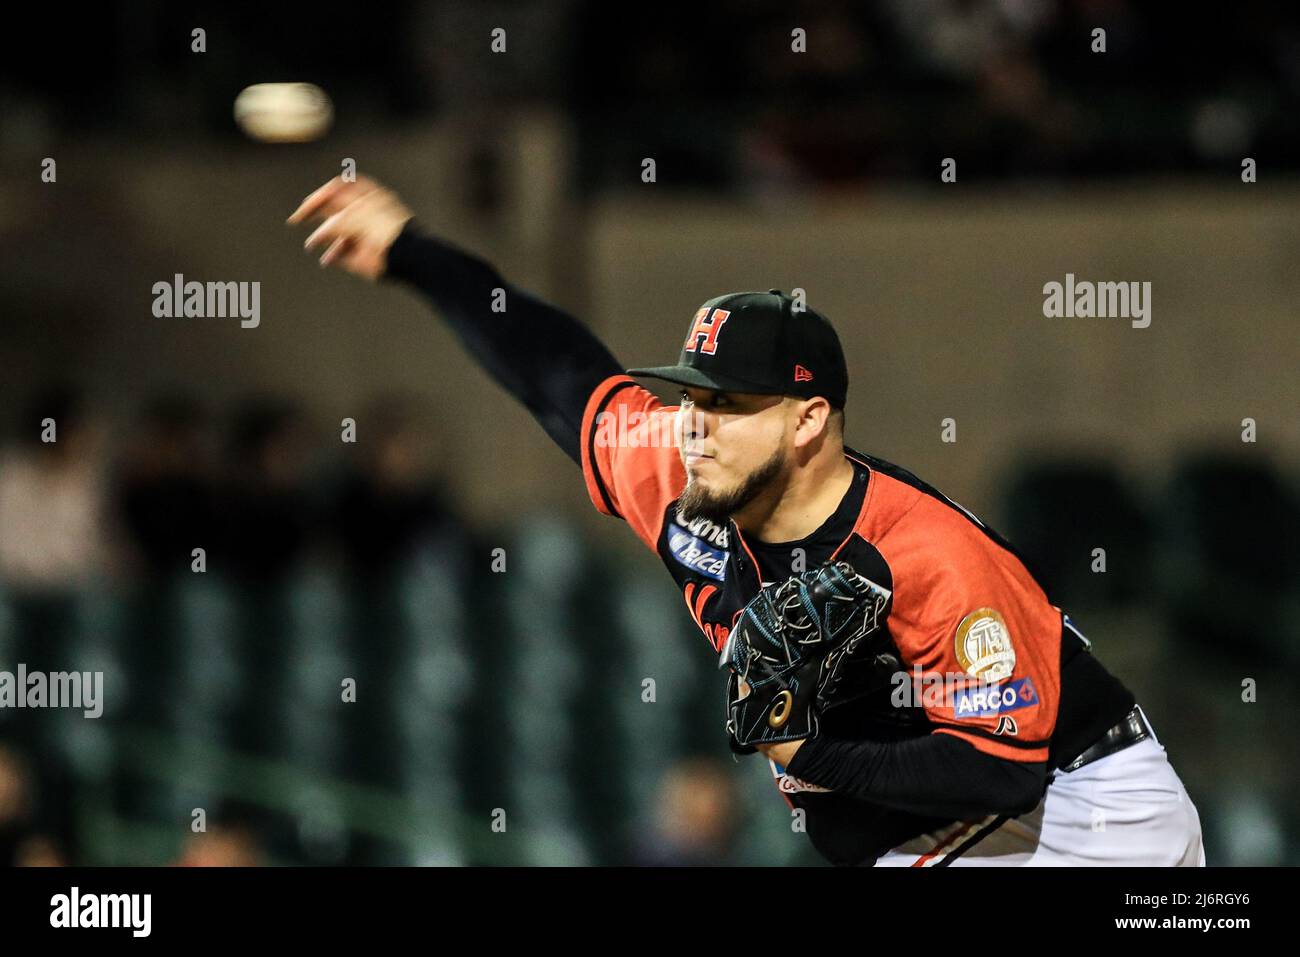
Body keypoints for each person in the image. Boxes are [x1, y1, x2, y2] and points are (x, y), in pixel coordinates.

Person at [287, 175, 1205, 867]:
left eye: (727, 403)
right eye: (690, 394)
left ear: (808, 420)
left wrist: (808, 747)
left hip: (1084, 812)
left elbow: (998, 768)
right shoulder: (684, 469)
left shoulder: (925, 553)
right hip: (943, 828)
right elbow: (556, 373)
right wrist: (413, 252)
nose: (693, 421)